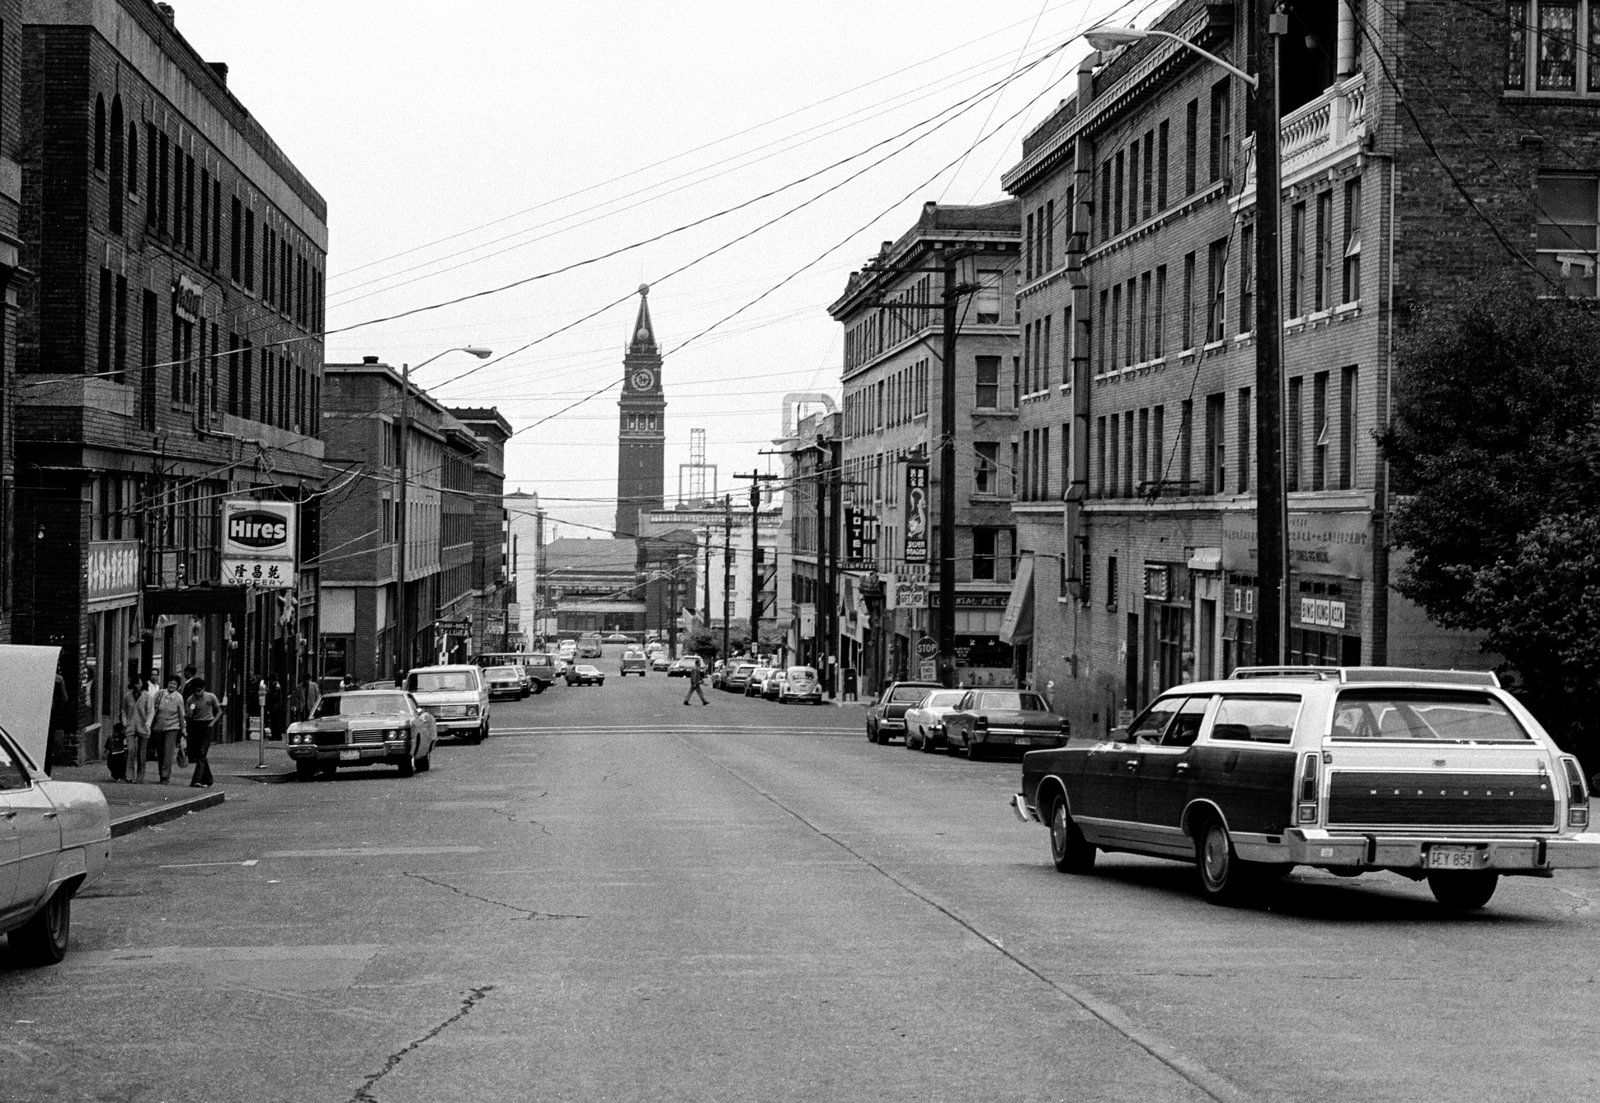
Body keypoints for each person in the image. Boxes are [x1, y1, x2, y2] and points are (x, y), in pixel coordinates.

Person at [185, 676, 222, 788]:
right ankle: (208, 779)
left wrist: (212, 723)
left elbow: (219, 711)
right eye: (195, 691)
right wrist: (190, 712)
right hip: (196, 725)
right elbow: (187, 716)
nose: (198, 693)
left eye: (199, 691)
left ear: (203, 688)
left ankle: (196, 780)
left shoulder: (210, 697)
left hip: (207, 725)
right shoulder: (191, 700)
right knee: (199, 754)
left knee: (202, 753)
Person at [149, 675, 185, 784]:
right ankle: (162, 774)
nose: (172, 685)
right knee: (160, 752)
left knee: (168, 751)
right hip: (158, 727)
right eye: (170, 683)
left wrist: (183, 730)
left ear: (178, 686)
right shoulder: (159, 694)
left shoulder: (179, 698)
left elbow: (181, 715)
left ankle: (165, 776)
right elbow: (151, 708)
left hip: (172, 727)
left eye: (174, 684)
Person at [119, 675, 154, 783]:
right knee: (130, 750)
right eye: (136, 683)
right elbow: (124, 710)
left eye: (140, 683)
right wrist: (124, 722)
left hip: (143, 727)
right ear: (133, 684)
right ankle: (129, 775)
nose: (138, 685)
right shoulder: (127, 696)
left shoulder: (147, 696)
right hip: (130, 726)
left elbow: (150, 712)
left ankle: (140, 776)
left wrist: (148, 724)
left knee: (141, 752)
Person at [47, 666, 73, 775]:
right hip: (51, 712)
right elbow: (64, 698)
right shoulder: (58, 679)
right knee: (49, 743)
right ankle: (47, 770)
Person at [265, 674, 286, 741]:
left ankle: (277, 736)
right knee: (273, 722)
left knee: (275, 722)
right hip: (274, 706)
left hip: (275, 707)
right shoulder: (275, 685)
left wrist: (268, 692)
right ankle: (275, 736)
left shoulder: (276, 685)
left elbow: (275, 695)